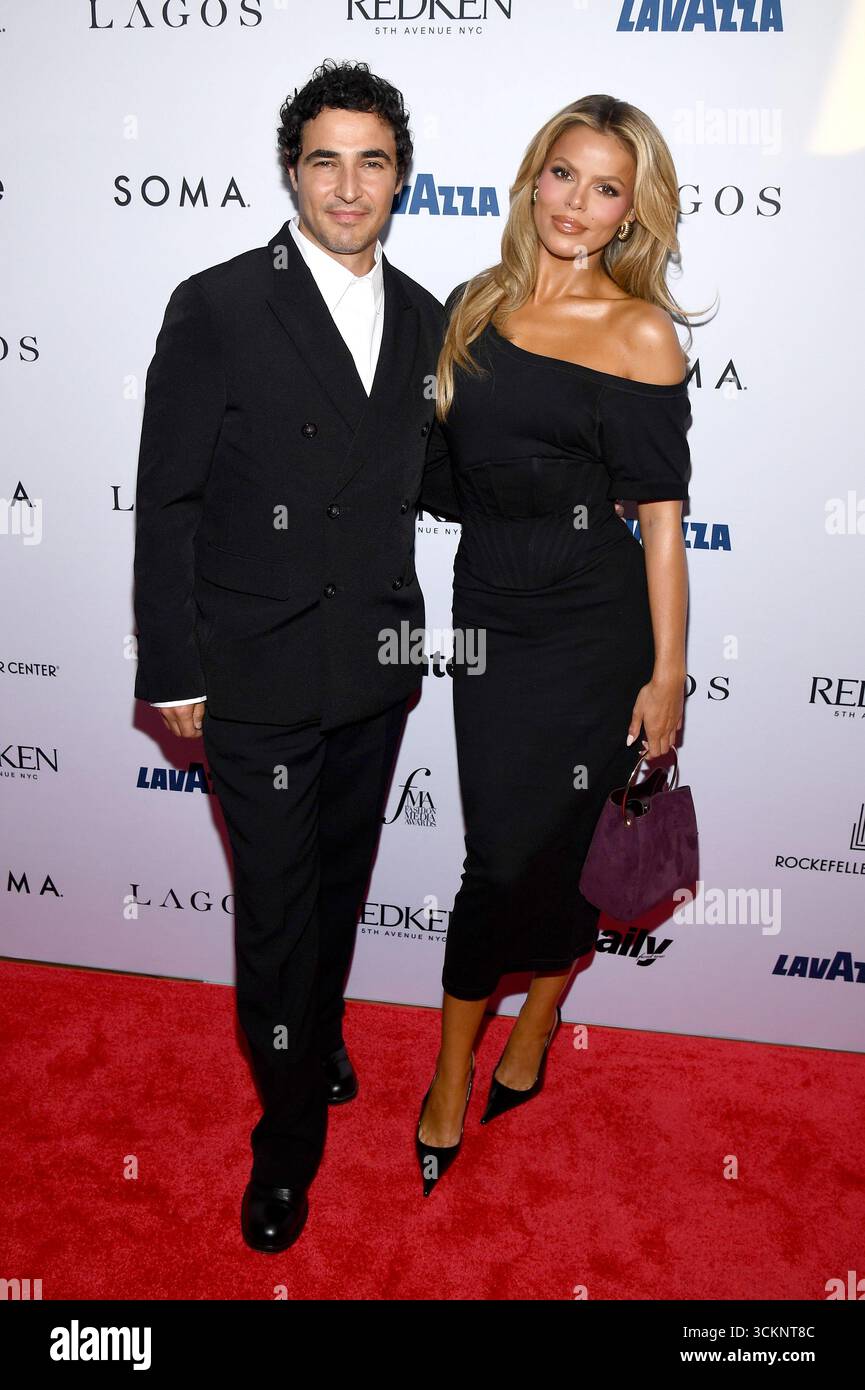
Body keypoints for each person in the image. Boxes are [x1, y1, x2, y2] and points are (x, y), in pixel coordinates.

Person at [132, 60, 461, 1251]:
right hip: (256, 675)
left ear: (399, 178)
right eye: (325, 157)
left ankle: (315, 1029)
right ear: (292, 169)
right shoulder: (218, 302)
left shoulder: (429, 315)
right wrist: (173, 667)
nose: (347, 182)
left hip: (372, 668)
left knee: (335, 886)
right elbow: (166, 498)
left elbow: (435, 480)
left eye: (371, 159)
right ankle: (285, 1147)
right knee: (275, 913)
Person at [415, 94, 695, 1195]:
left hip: (593, 624)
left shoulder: (637, 331)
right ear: (535, 177)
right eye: (564, 174)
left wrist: (666, 673)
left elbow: (662, 525)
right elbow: (433, 469)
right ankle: (451, 1073)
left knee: (569, 845)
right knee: (496, 857)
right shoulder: (471, 306)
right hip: (489, 610)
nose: (579, 201)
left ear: (633, 211)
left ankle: (532, 1024)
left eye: (607, 186)